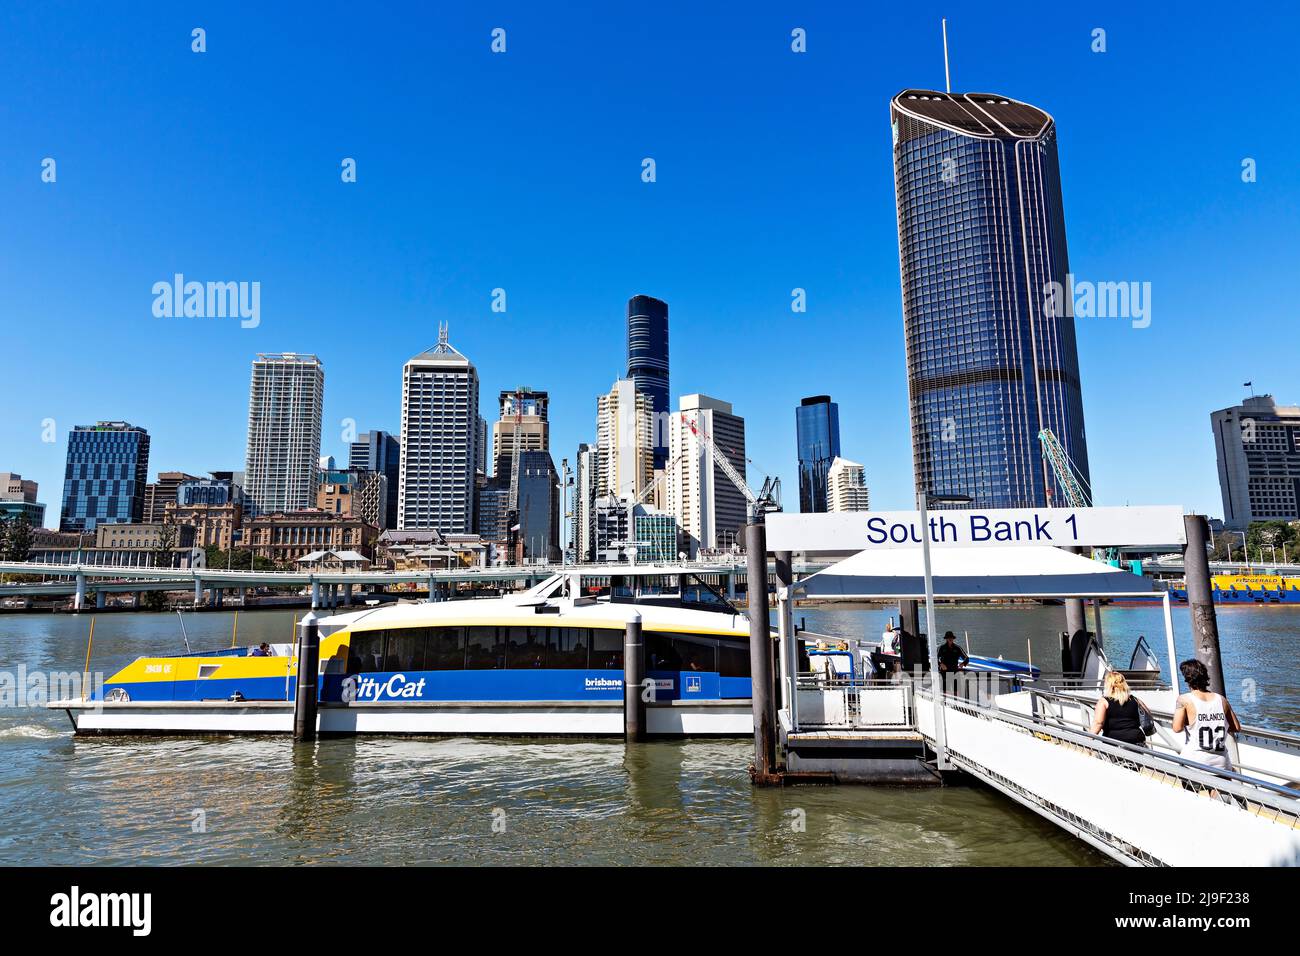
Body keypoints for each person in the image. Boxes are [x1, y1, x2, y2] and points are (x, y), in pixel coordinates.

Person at [1172, 659, 1240, 771]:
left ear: (1187, 680)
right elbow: (1236, 727)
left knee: (1187, 787)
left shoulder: (1184, 700)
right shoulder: (1221, 700)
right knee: (1219, 787)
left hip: (1194, 762)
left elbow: (1177, 728)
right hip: (1221, 764)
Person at [1091, 671, 1146, 746]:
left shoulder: (1104, 701)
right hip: (1137, 740)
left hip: (1114, 742)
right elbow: (1147, 715)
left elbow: (1098, 723)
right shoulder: (1136, 700)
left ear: (1109, 685)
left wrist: (1089, 739)